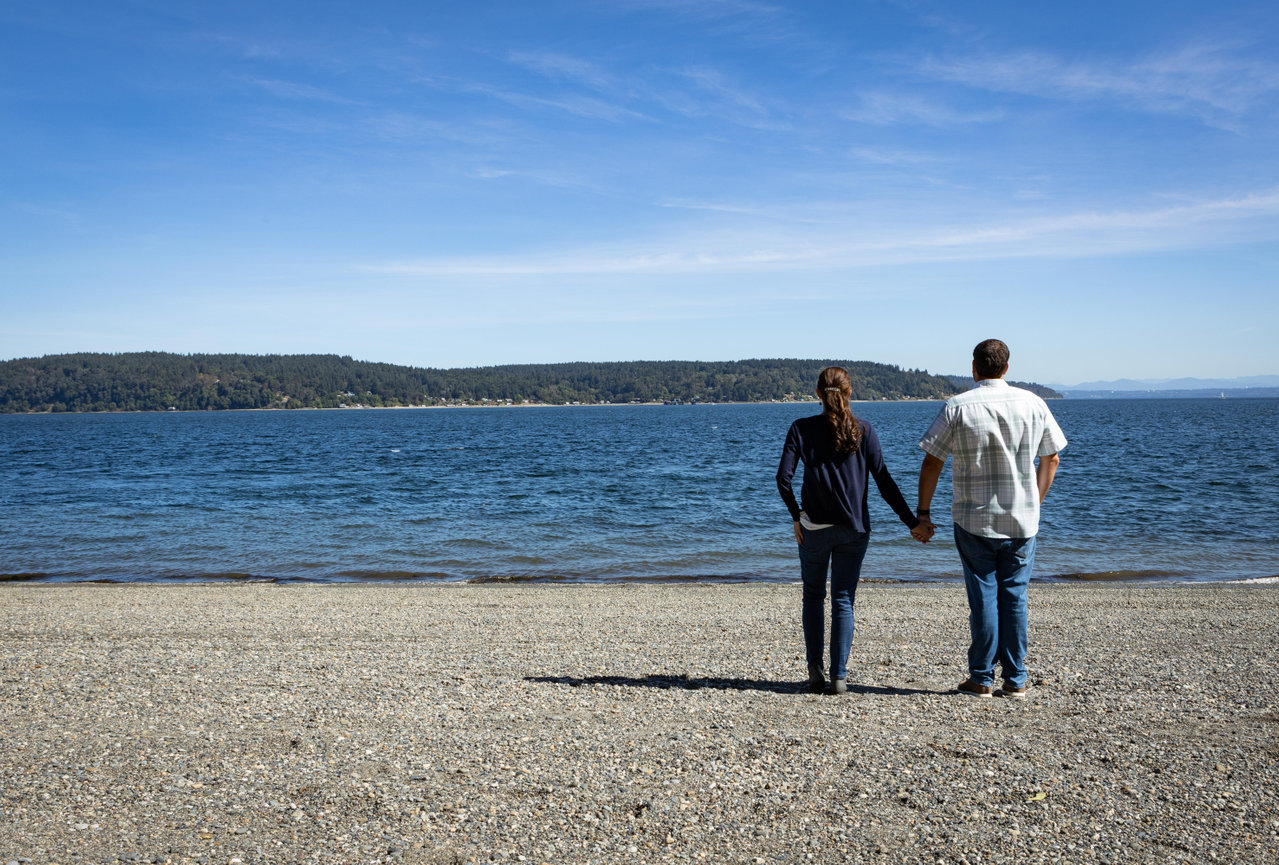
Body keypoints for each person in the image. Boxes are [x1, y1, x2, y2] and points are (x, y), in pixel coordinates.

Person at [915, 339, 1067, 700]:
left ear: (973, 367)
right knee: (1014, 596)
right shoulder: (1033, 403)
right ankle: (1015, 679)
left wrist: (923, 513)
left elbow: (933, 461)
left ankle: (981, 678)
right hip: (1022, 520)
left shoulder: (958, 406)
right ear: (1007, 367)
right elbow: (1052, 459)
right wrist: (1036, 501)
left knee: (982, 597)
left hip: (973, 519)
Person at [776, 366, 931, 695]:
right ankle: (840, 677)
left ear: (818, 394)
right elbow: (885, 483)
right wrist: (913, 522)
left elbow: (783, 480)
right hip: (854, 528)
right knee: (843, 600)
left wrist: (796, 516)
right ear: (849, 393)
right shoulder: (864, 430)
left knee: (813, 597)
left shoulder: (800, 429)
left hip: (813, 528)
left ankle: (815, 670)